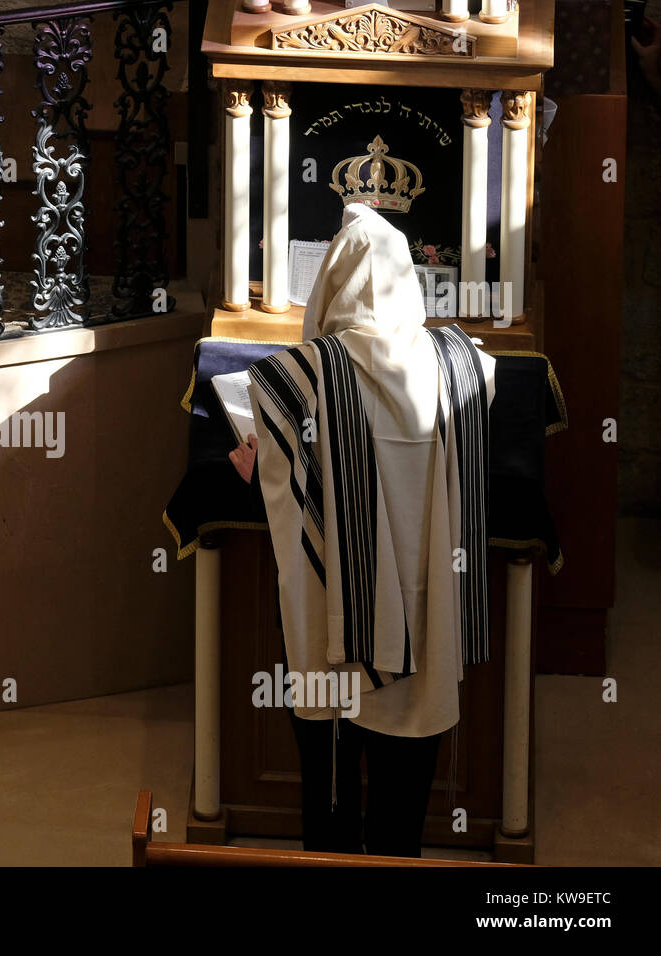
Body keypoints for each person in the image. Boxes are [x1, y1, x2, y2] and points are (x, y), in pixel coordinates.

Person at [231, 202, 496, 857]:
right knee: (404, 805)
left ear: (333, 281)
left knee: (329, 795)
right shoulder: (465, 363)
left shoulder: (301, 375)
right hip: (428, 628)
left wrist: (260, 459)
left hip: (334, 631)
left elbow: (274, 463)